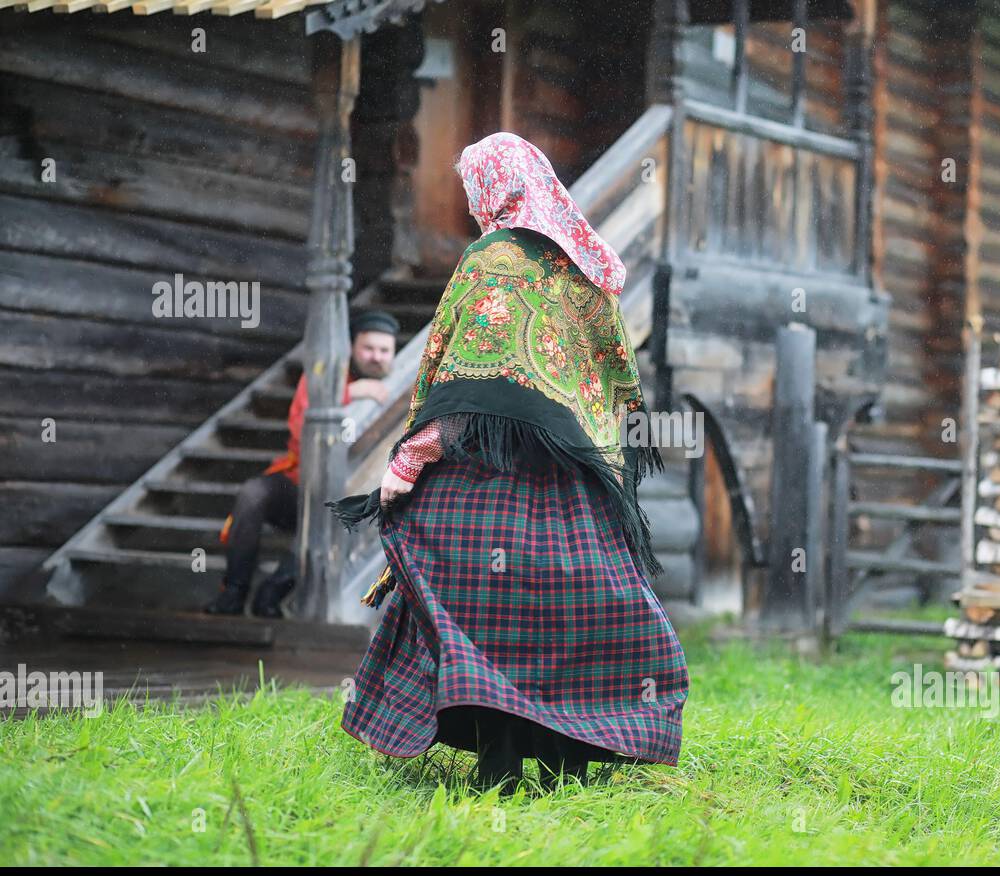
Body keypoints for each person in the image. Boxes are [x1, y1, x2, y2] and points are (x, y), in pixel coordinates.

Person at [326, 132, 690, 795]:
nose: (472, 205)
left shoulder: (491, 259)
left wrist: (409, 462)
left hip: (488, 487)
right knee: (574, 621)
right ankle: (570, 763)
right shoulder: (584, 266)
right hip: (576, 496)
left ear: (493, 190)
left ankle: (498, 765)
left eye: (474, 191)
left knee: (482, 615)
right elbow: (607, 386)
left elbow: (469, 381)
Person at [202, 312, 399, 617]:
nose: (376, 357)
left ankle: (273, 592)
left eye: (384, 351)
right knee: (253, 494)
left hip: (351, 497)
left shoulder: (403, 385)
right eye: (368, 349)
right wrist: (347, 393)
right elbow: (300, 424)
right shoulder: (327, 375)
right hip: (300, 482)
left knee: (335, 512)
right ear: (352, 348)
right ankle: (233, 591)